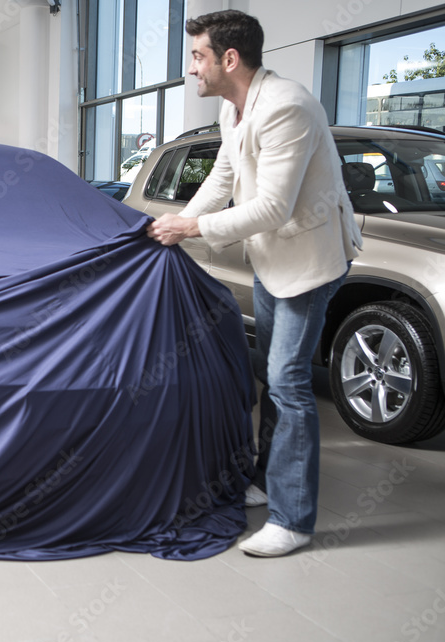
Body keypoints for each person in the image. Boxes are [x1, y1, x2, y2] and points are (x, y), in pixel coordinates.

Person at [147, 10, 362, 557]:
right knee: (271, 375)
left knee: (289, 383)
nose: (191, 68)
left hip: (309, 262)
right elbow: (223, 176)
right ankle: (268, 482)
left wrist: (192, 229)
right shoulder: (233, 106)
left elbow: (272, 207)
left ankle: (293, 520)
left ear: (229, 58)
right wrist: (180, 224)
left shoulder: (287, 106)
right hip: (271, 260)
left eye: (197, 56)